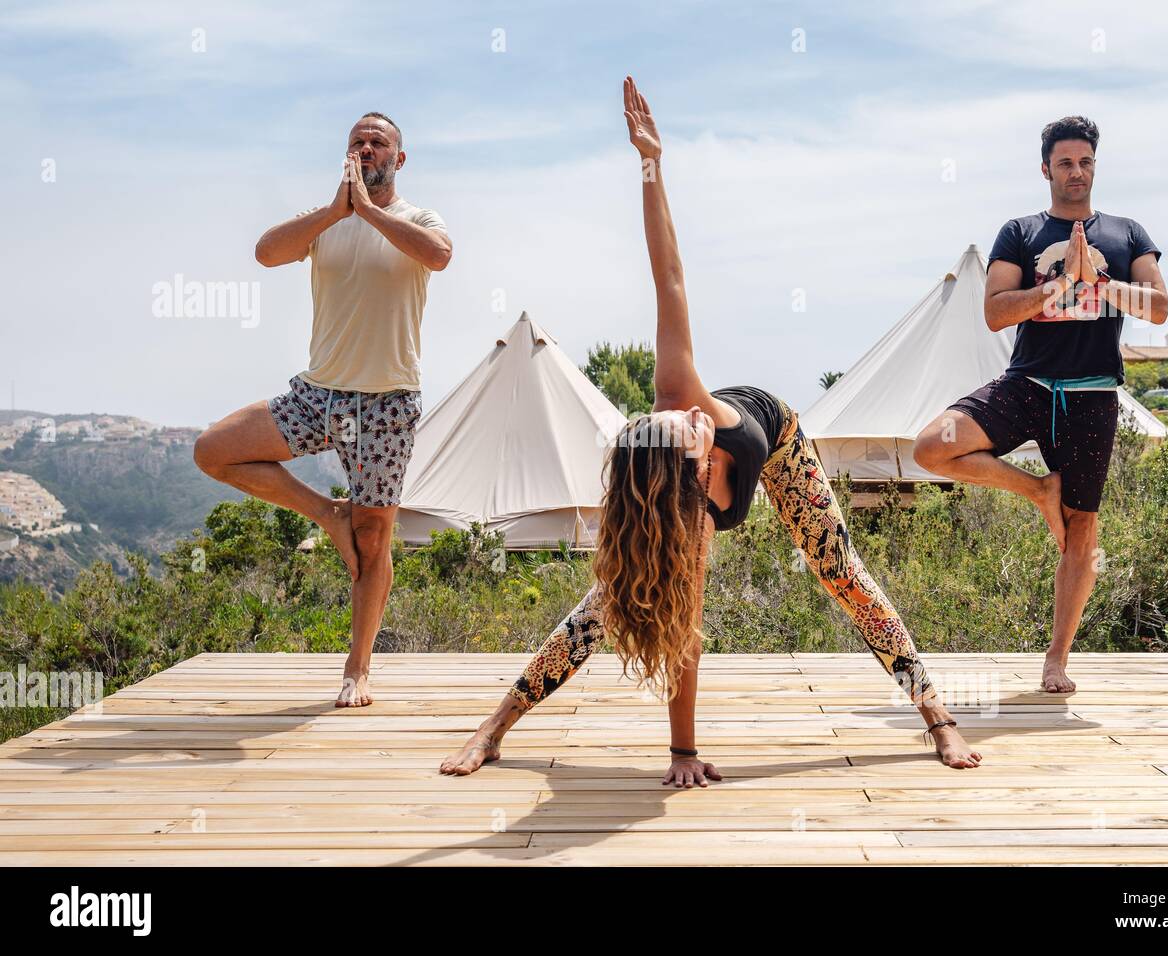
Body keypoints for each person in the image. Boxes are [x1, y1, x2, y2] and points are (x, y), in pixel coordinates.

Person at [440, 77, 981, 786]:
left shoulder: (680, 394)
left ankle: (938, 714)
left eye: (683, 415)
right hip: (678, 512)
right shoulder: (684, 519)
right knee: (605, 606)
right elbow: (682, 633)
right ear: (683, 478)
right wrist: (683, 753)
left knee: (842, 575)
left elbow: (669, 276)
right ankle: (496, 724)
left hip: (779, 441)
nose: (693, 413)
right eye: (687, 430)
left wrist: (650, 165)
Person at [193, 112, 453, 707]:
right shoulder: (326, 220)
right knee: (214, 450)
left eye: (378, 141)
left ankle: (357, 669)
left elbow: (438, 256)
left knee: (374, 536)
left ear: (398, 158)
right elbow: (265, 253)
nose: (366, 147)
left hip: (387, 402)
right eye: (357, 141)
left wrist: (370, 212)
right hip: (319, 393)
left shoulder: (417, 219)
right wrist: (338, 211)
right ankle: (325, 515)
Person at [913, 116, 1168, 694]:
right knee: (932, 446)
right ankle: (1037, 489)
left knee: (1083, 530)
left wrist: (1095, 284)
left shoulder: (1127, 233)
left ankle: (1057, 660)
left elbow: (1157, 307)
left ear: (1095, 166)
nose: (1075, 173)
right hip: (1027, 383)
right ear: (1046, 169)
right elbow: (995, 311)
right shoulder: (1021, 231)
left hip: (1092, 395)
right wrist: (1056, 285)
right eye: (1064, 163)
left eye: (1084, 162)